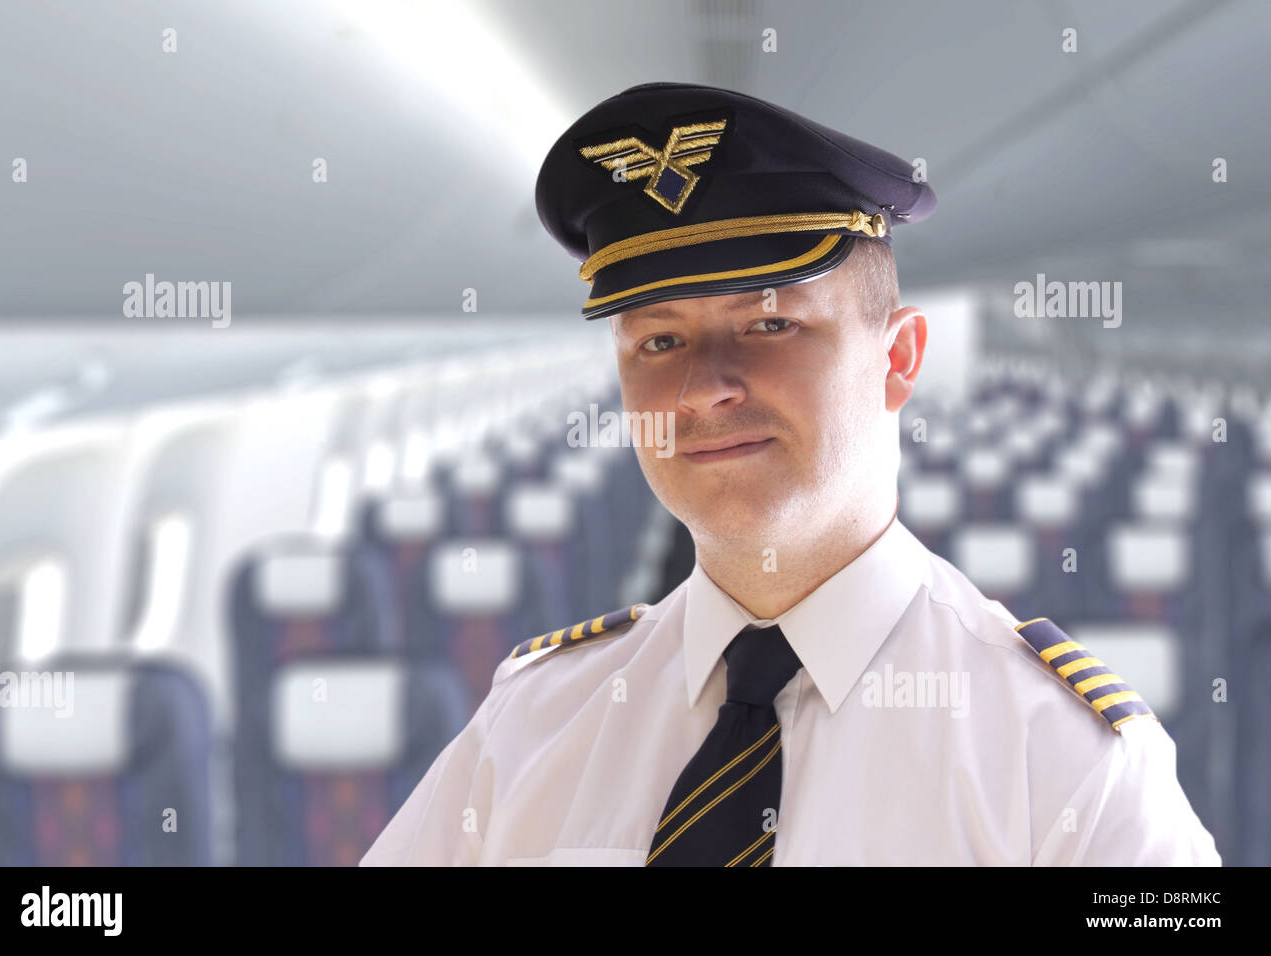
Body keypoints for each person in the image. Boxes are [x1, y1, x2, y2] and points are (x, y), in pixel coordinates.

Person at [360, 82, 1220, 866]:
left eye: (769, 326)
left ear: (899, 358)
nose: (703, 389)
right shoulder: (527, 732)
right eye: (659, 342)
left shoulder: (1071, 771)